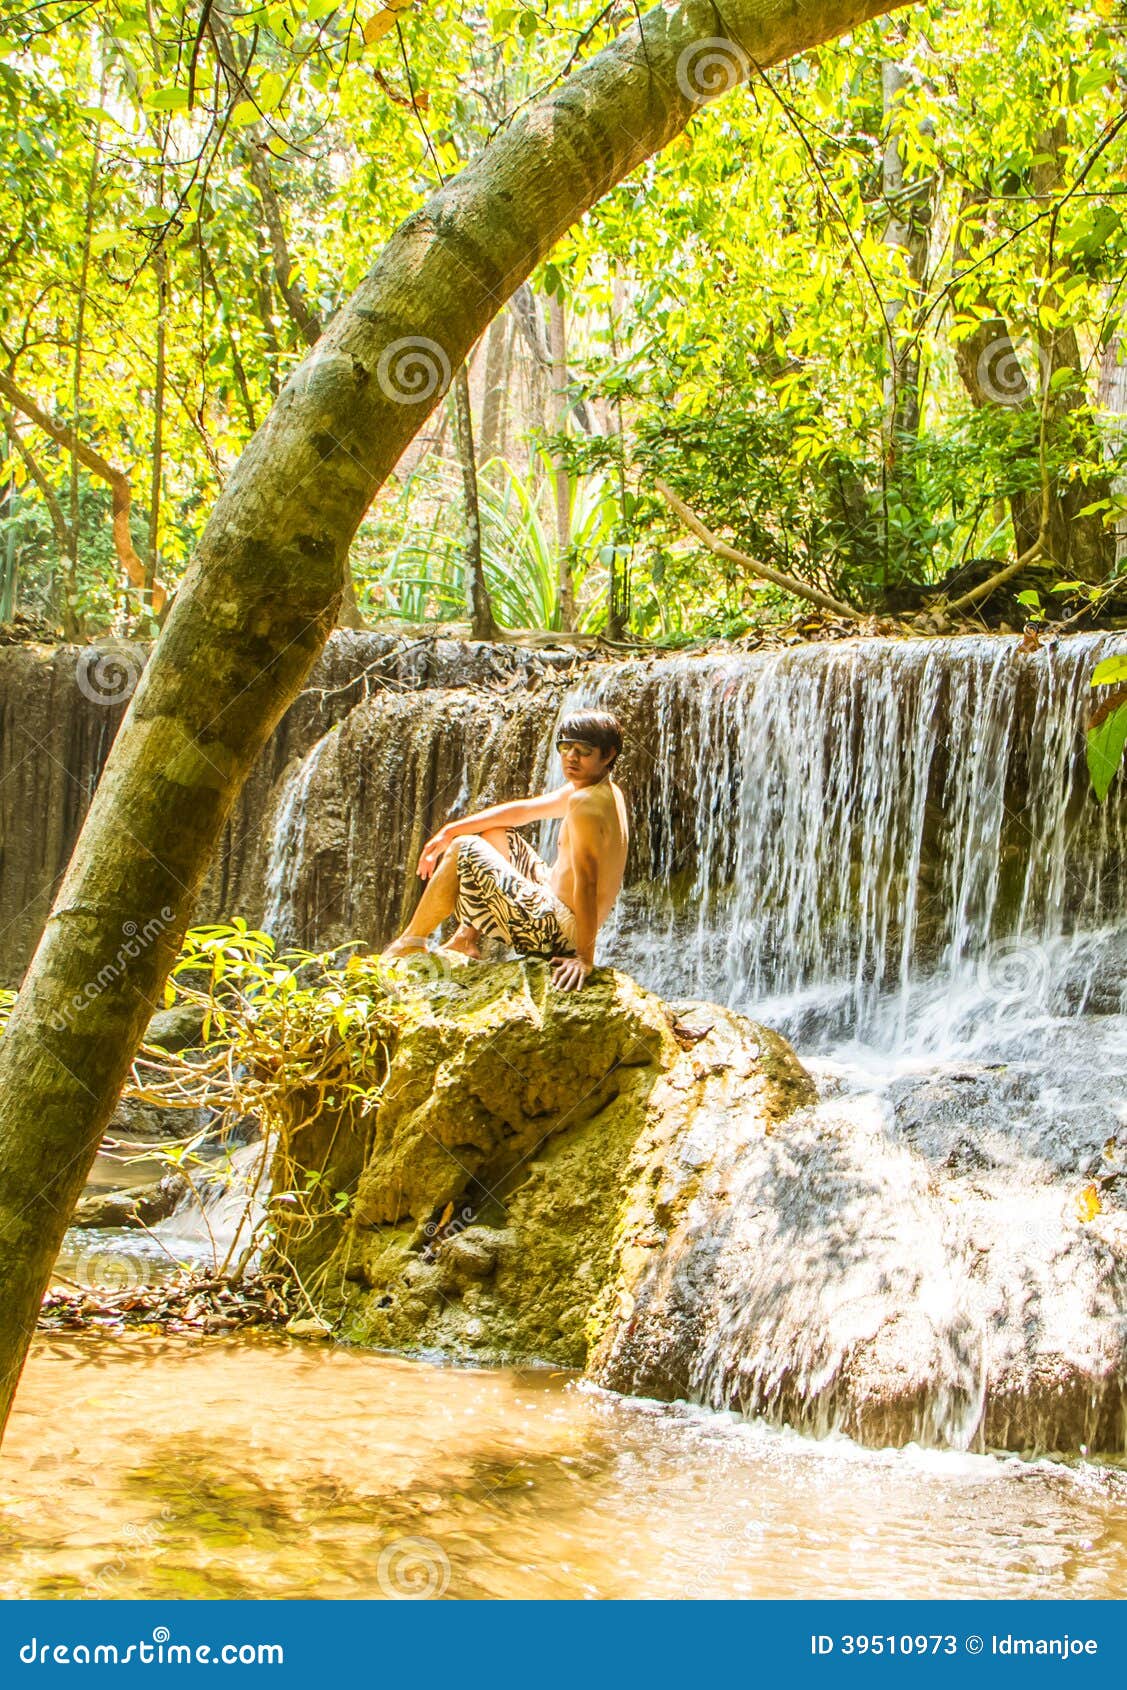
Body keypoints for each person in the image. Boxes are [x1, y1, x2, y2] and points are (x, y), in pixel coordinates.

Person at [383, 709, 628, 991]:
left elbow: (587, 881)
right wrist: (449, 830)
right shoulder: (596, 788)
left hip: (557, 930)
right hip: (554, 903)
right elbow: (523, 811)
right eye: (565, 747)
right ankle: (465, 939)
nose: (571, 757)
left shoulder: (586, 804)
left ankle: (411, 942)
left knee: (465, 847)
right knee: (495, 835)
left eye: (583, 750)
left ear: (607, 755)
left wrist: (584, 958)